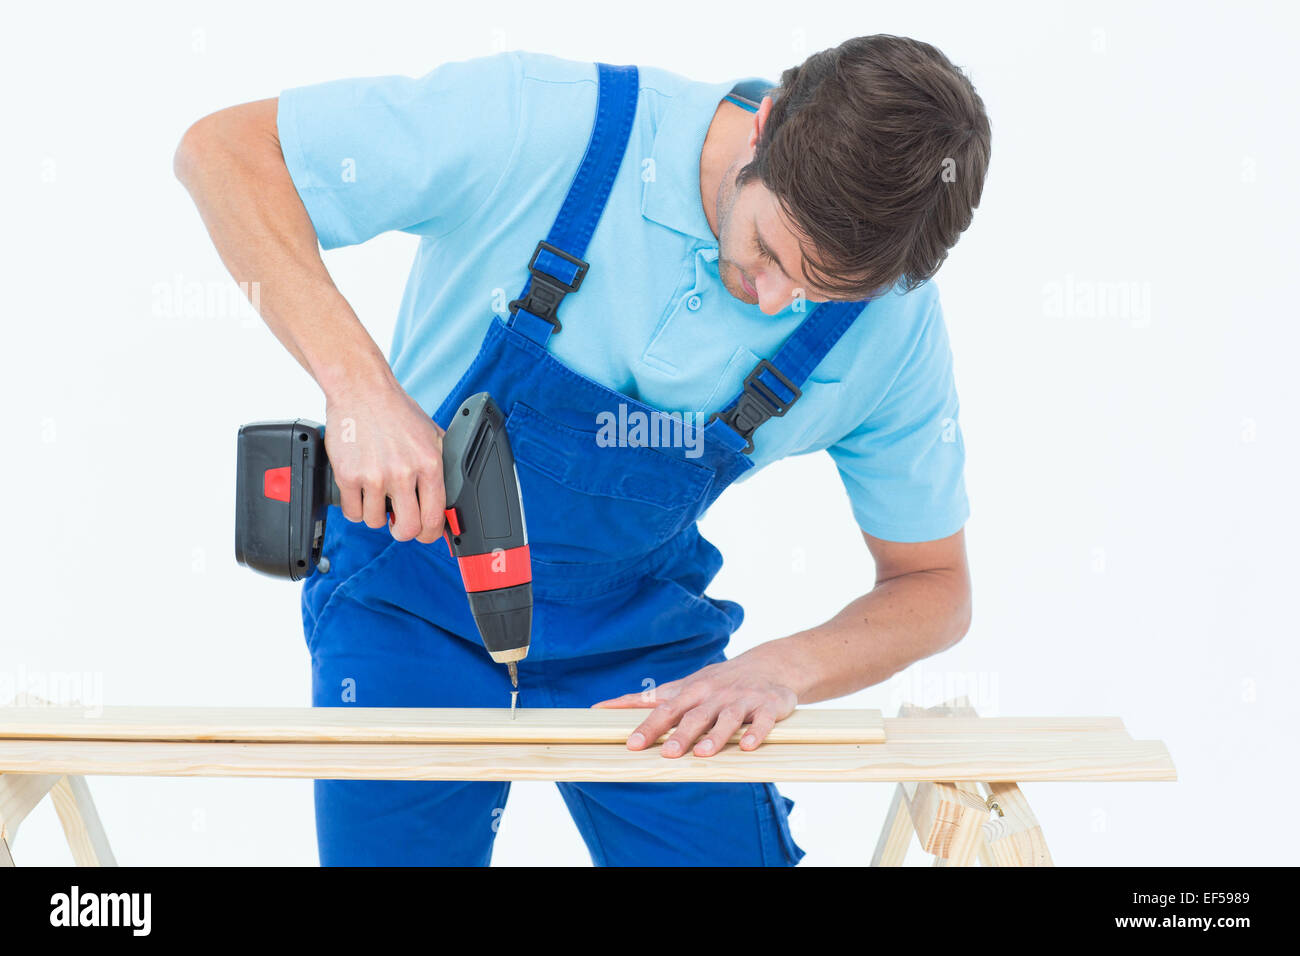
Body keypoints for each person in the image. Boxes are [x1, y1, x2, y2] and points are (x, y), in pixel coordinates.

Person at [174, 34, 991, 866]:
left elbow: (934, 586)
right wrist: (360, 390)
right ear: (765, 126)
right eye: (772, 253)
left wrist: (782, 671)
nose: (778, 301)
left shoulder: (892, 325)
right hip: (411, 594)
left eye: (821, 291)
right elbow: (225, 151)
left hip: (638, 643)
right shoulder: (546, 123)